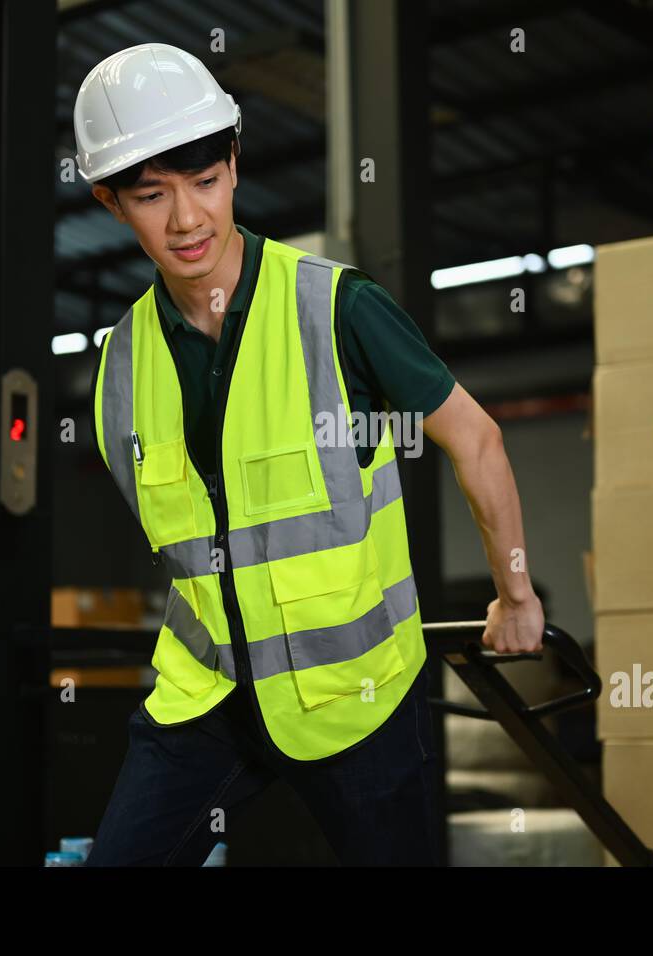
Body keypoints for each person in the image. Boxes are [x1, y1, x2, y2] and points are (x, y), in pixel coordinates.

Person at [76, 43, 544, 866]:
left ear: (234, 161)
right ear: (110, 202)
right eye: (151, 195)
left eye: (206, 182)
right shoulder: (121, 366)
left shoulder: (338, 308)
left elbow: (477, 438)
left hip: (350, 695)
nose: (187, 220)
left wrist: (515, 595)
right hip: (207, 695)